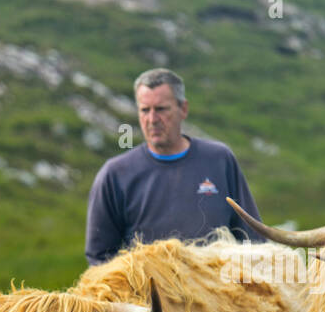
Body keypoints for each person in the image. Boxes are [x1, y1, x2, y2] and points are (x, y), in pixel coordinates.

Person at [85, 68, 264, 265]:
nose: (152, 120)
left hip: (216, 291)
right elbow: (99, 257)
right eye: (145, 110)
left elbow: (253, 241)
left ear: (183, 109)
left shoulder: (219, 160)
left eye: (161, 109)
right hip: (147, 294)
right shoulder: (115, 174)